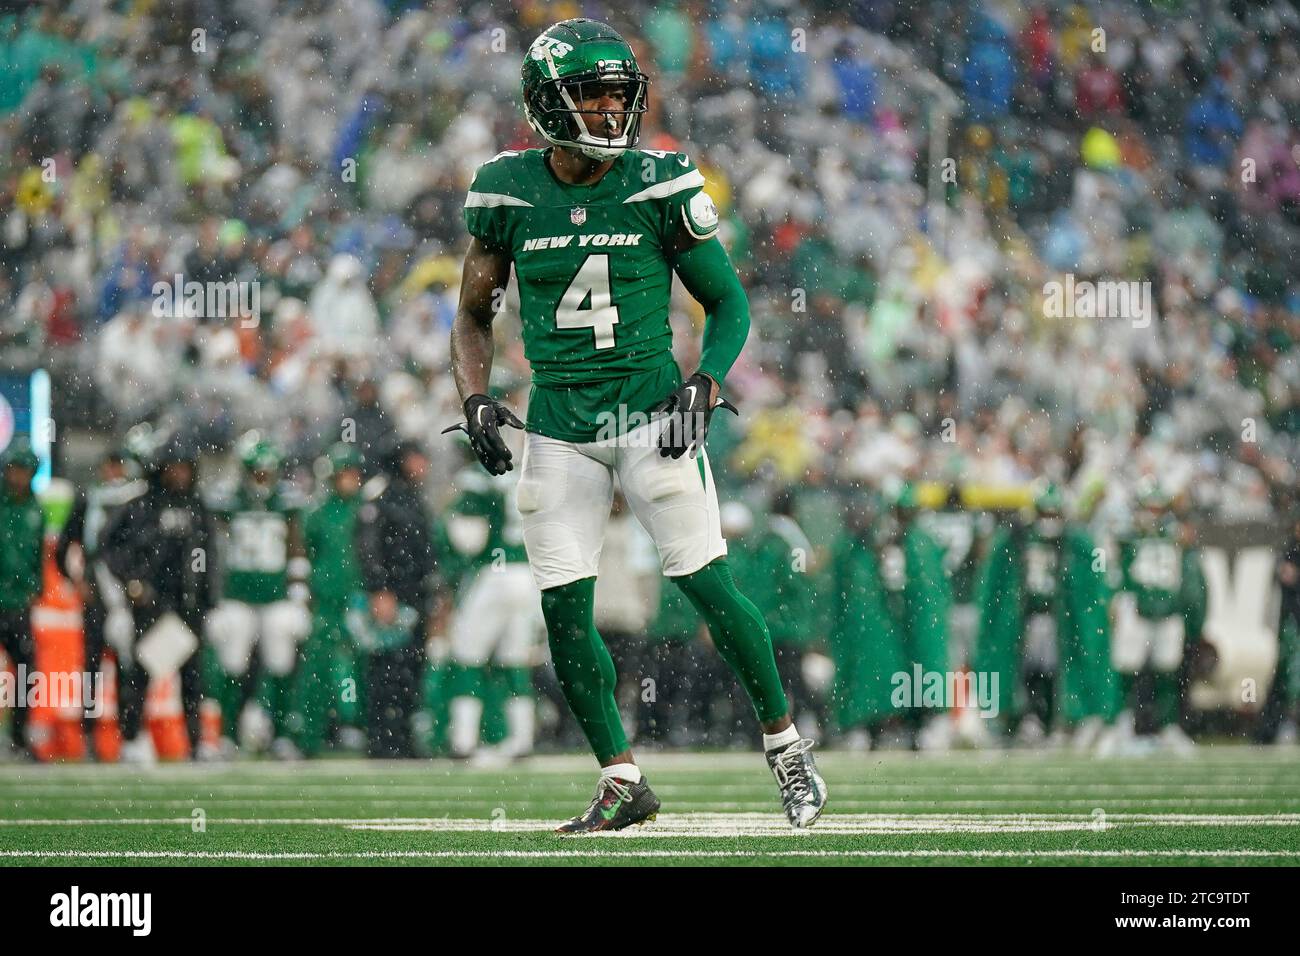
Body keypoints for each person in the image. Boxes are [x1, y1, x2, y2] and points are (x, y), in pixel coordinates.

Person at [446, 18, 825, 831]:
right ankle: (622, 778)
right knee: (562, 610)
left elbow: (726, 302)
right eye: (595, 95)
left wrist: (707, 380)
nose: (615, 111)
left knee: (707, 585)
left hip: (652, 417)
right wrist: (472, 395)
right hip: (558, 427)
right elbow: (473, 314)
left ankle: (787, 746)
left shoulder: (661, 180)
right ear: (549, 103)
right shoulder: (507, 189)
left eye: (622, 95)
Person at [99, 431, 217, 762]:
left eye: (184, 467)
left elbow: (210, 555)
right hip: (151, 603)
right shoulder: (141, 505)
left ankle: (197, 745)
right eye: (173, 467)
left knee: (193, 679)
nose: (179, 474)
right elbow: (108, 546)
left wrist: (210, 598)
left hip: (188, 604)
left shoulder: (197, 507)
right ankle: (133, 740)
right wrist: (132, 580)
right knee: (141, 674)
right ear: (159, 468)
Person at [974, 482, 1117, 748]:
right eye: (1045, 513)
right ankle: (1027, 719)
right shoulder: (1016, 539)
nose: (1049, 520)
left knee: (1053, 671)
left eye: (1053, 514)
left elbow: (1094, 577)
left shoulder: (1075, 542)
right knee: (1026, 670)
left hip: (1054, 619)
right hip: (1030, 618)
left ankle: (1051, 720)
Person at [206, 432, 310, 758]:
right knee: (232, 664)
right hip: (237, 594)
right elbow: (213, 547)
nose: (263, 478)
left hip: (275, 594)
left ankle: (280, 734)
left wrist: (298, 588)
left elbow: (296, 545)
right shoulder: (228, 500)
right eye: (257, 471)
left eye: (268, 471)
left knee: (281, 662)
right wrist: (215, 593)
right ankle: (226, 735)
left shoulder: (286, 502)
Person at [55, 445, 147, 756]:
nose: (114, 472)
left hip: (126, 593)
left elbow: (144, 549)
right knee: (93, 668)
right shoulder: (89, 499)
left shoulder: (137, 499)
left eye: (118, 465)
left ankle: (129, 736)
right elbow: (65, 544)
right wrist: (76, 581)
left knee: (128, 667)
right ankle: (91, 738)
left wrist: (139, 584)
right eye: (110, 465)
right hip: (97, 592)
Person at [354, 439, 438, 758]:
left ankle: (402, 736)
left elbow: (425, 548)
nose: (422, 467)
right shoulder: (383, 494)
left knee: (411, 666)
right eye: (417, 459)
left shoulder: (412, 496)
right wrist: (379, 588)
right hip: (393, 593)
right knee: (386, 667)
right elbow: (369, 544)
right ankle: (381, 738)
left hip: (415, 593)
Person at [1108, 484, 1206, 754]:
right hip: (1138, 608)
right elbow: (1115, 567)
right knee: (1126, 671)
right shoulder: (1130, 535)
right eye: (1149, 507)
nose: (1153, 513)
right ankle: (1122, 726)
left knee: (1167, 673)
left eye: (1157, 507)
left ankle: (1168, 727)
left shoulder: (1174, 535)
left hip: (1168, 609)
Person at [293, 442, 366, 756]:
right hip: (326, 601)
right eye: (345, 474)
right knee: (319, 668)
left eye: (354, 473)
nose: (351, 479)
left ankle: (355, 726)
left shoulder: (365, 509)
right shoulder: (318, 513)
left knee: (355, 667)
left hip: (358, 599)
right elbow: (305, 552)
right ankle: (310, 732)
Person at [0, 438, 45, 759]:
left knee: (26, 672)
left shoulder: (35, 509)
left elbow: (38, 554)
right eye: (15, 469)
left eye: (25, 470)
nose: (20, 476)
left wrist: (35, 587)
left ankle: (18, 737)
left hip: (19, 604)